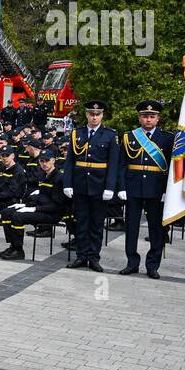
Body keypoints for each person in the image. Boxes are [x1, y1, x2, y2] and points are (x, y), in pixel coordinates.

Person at [116, 100, 173, 278]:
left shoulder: (168, 138)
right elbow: (121, 164)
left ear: (158, 118)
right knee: (131, 227)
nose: (148, 119)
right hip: (133, 187)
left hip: (156, 189)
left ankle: (153, 265)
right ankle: (132, 262)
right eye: (145, 116)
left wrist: (167, 190)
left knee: (156, 228)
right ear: (139, 118)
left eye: (152, 116)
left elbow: (172, 167)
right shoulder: (128, 137)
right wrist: (121, 187)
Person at [62, 100, 119, 272]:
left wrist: (110, 187)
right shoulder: (76, 133)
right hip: (80, 186)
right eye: (91, 114)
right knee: (81, 222)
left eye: (98, 114)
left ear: (102, 115)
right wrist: (67, 183)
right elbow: (70, 161)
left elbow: (113, 164)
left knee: (96, 224)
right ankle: (81, 256)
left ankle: (94, 257)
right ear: (86, 114)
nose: (94, 117)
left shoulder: (110, 135)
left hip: (99, 187)